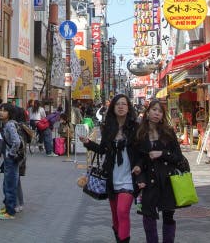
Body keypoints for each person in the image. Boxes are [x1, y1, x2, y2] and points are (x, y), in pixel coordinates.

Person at [80, 94, 139, 243]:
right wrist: (88, 142)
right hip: (112, 178)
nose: (121, 106)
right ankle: (119, 238)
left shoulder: (135, 127)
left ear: (128, 107)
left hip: (129, 177)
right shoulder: (108, 128)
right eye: (117, 104)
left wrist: (139, 166)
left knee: (122, 212)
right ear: (113, 107)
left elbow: (141, 151)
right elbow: (102, 150)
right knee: (115, 216)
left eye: (124, 104)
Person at [133, 99, 189, 243]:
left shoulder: (168, 132)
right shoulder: (140, 133)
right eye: (154, 110)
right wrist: (139, 171)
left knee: (168, 216)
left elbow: (178, 157)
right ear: (147, 112)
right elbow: (139, 158)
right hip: (149, 181)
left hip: (167, 180)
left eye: (160, 111)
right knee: (148, 216)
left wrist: (162, 153)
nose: (157, 113)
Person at [0, 102, 22, 220]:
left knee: (10, 185)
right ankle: (7, 207)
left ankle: (10, 212)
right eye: (0, 110)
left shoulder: (10, 125)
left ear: (10, 113)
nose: (1, 112)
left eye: (4, 110)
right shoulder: (6, 124)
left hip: (11, 159)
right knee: (7, 183)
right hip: (10, 159)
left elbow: (17, 142)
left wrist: (10, 154)